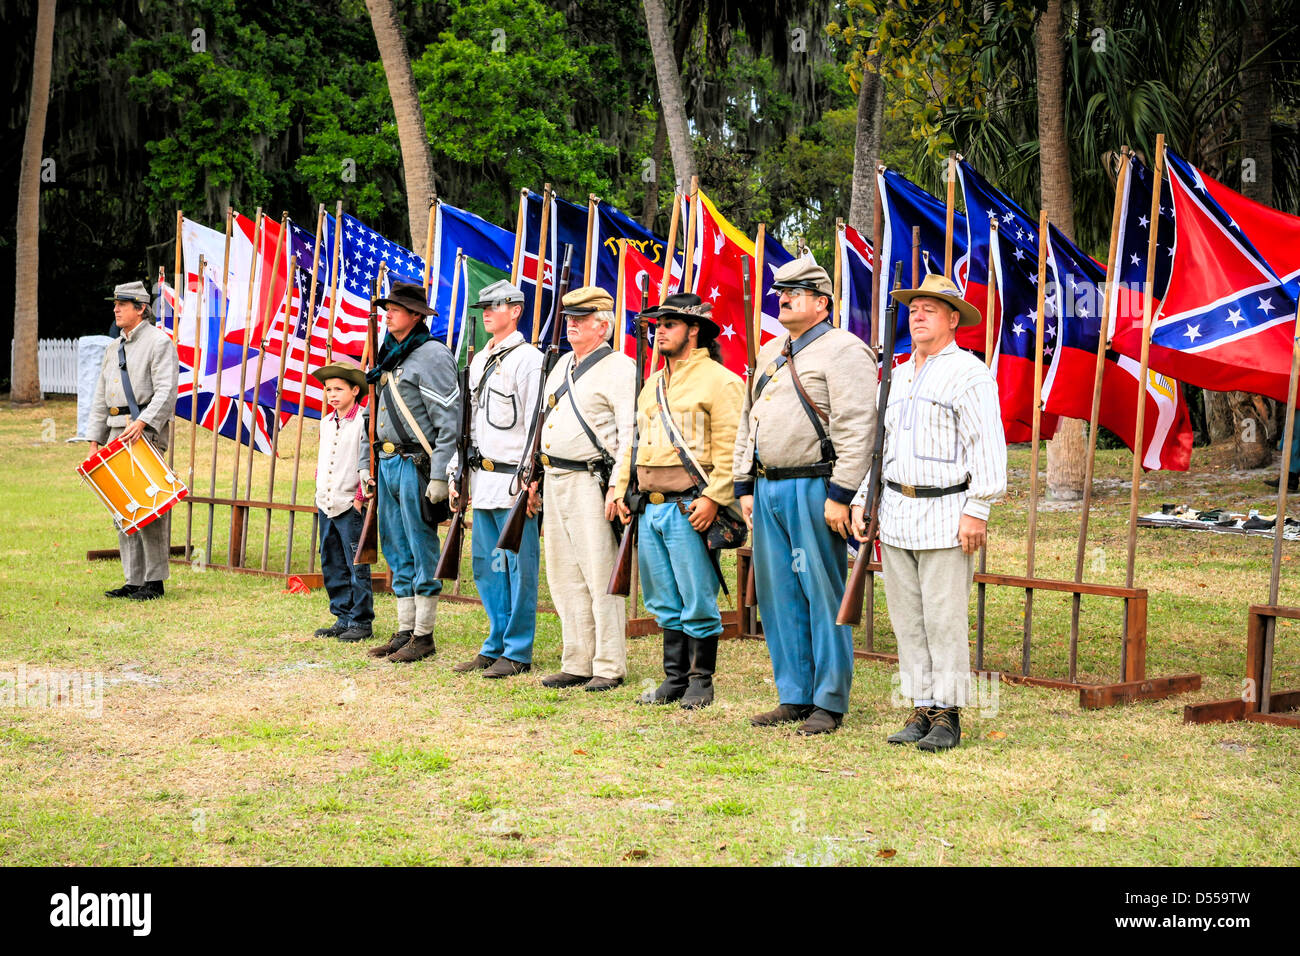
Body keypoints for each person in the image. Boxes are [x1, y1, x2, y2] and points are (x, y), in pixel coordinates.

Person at [851, 274, 1007, 752]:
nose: (917, 316)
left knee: (944, 618)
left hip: (946, 511)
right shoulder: (896, 376)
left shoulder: (969, 373)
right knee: (908, 619)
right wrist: (862, 497)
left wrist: (977, 508)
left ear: (953, 319)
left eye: (929, 310)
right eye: (914, 309)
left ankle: (948, 714)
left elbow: (987, 446)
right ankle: (920, 707)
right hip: (897, 510)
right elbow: (881, 446)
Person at [733, 260, 876, 735]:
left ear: (823, 302)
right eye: (782, 291)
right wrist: (744, 483)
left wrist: (841, 493)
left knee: (822, 591)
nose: (785, 298)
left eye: (797, 291)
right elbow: (748, 422)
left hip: (815, 486)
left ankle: (829, 700)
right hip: (769, 485)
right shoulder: (773, 351)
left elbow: (858, 428)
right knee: (779, 595)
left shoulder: (845, 350)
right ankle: (793, 694)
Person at [613, 293, 743, 709]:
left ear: (695, 329)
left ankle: (701, 680)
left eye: (669, 323)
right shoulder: (653, 382)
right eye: (657, 324)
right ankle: (674, 678)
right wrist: (620, 489)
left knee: (696, 594)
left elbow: (731, 451)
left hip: (692, 506)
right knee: (663, 597)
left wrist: (714, 498)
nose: (659, 330)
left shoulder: (722, 381)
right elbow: (633, 444)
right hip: (649, 506)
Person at [532, 286, 635, 691]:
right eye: (569, 317)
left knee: (599, 574)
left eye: (581, 317)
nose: (571, 323)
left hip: (593, 480)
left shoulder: (620, 367)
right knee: (563, 574)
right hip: (554, 477)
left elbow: (629, 433)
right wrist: (535, 479)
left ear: (603, 324)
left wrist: (618, 486)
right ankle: (577, 658)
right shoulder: (560, 366)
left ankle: (608, 664)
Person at [359, 282, 460, 663]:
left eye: (396, 309)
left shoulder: (432, 355)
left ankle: (424, 634)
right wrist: (367, 467)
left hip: (417, 463)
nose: (388, 314)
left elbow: (449, 421)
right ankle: (404, 630)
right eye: (387, 308)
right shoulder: (391, 353)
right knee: (396, 547)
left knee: (421, 547)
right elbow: (375, 413)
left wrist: (439, 474)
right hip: (386, 463)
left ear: (415, 316)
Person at [448, 279, 544, 679]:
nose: (486, 312)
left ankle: (518, 649)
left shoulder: (529, 360)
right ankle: (495, 642)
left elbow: (535, 425)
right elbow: (466, 426)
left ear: (516, 310)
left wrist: (533, 478)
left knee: (519, 570)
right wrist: (458, 473)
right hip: (481, 477)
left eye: (496, 305)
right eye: (484, 306)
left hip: (513, 482)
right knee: (488, 567)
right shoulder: (478, 361)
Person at [89, 281, 179, 602]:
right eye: (115, 303)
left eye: (122, 304)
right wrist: (94, 441)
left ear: (141, 308)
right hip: (115, 431)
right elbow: (101, 396)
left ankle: (154, 581)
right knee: (121, 507)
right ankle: (133, 579)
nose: (115, 309)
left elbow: (167, 391)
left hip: (144, 431)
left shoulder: (159, 342)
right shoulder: (114, 348)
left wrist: (143, 422)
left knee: (150, 505)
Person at [310, 357, 374, 642]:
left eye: (338, 389)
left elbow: (367, 463)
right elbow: (323, 460)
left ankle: (361, 621)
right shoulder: (325, 422)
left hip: (350, 503)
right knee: (332, 561)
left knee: (356, 563)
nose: (332, 395)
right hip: (326, 502)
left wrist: (359, 498)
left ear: (354, 391)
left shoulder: (363, 421)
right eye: (328, 390)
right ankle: (342, 616)